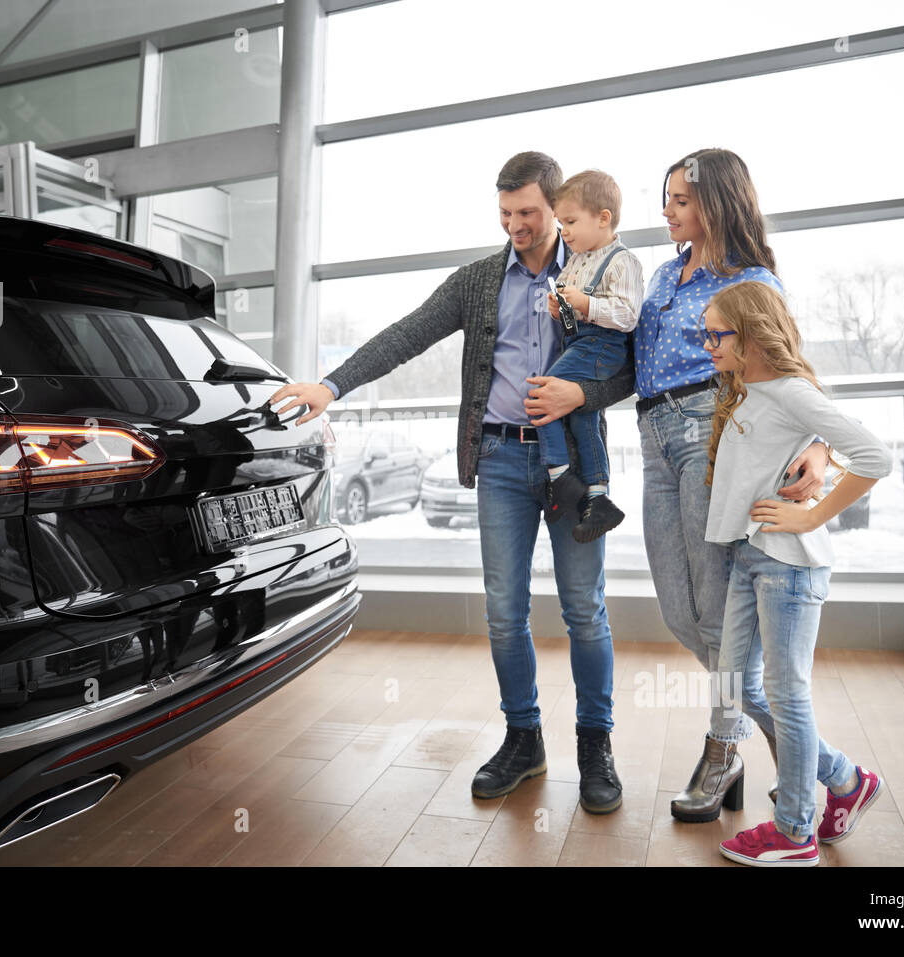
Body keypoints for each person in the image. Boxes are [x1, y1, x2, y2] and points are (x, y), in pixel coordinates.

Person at [268, 152, 634, 814]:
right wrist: (330, 385)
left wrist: (579, 391)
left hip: (573, 462)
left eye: (528, 213)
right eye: (505, 214)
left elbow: (626, 365)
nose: (516, 225)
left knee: (584, 606)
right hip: (497, 459)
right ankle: (524, 739)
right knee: (503, 609)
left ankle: (594, 743)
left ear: (557, 208)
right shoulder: (477, 281)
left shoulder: (593, 271)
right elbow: (407, 334)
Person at [634, 148, 831, 822]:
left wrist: (819, 444)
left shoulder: (751, 281)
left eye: (681, 201)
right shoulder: (663, 274)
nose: (667, 211)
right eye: (665, 199)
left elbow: (788, 368)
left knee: (717, 617)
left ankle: (722, 751)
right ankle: (815, 761)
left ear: (717, 204)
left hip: (708, 431)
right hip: (654, 437)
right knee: (682, 614)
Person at [701, 280, 889, 866]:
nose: (707, 343)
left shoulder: (787, 391)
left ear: (752, 336)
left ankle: (795, 833)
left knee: (786, 696)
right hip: (746, 557)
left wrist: (811, 516)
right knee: (735, 685)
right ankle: (844, 779)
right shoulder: (743, 390)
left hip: (788, 566)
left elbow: (875, 455)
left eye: (717, 334)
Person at [538, 169, 643, 542]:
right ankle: (599, 497)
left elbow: (629, 315)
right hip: (579, 343)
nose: (563, 231)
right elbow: (573, 309)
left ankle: (560, 476)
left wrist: (586, 303)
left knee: (540, 397)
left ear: (603, 218)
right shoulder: (577, 259)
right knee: (582, 418)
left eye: (570, 221)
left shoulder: (622, 262)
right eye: (560, 223)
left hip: (602, 347)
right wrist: (561, 308)